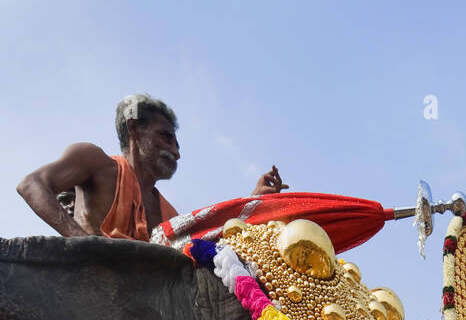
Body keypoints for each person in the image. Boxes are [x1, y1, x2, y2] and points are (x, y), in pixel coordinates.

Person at [17, 92, 285, 242]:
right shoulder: (94, 161)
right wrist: (82, 241)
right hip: (85, 286)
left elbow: (213, 238)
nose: (176, 152)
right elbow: (31, 185)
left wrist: (255, 199)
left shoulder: (170, 214)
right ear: (134, 129)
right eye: (166, 137)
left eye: (178, 145)